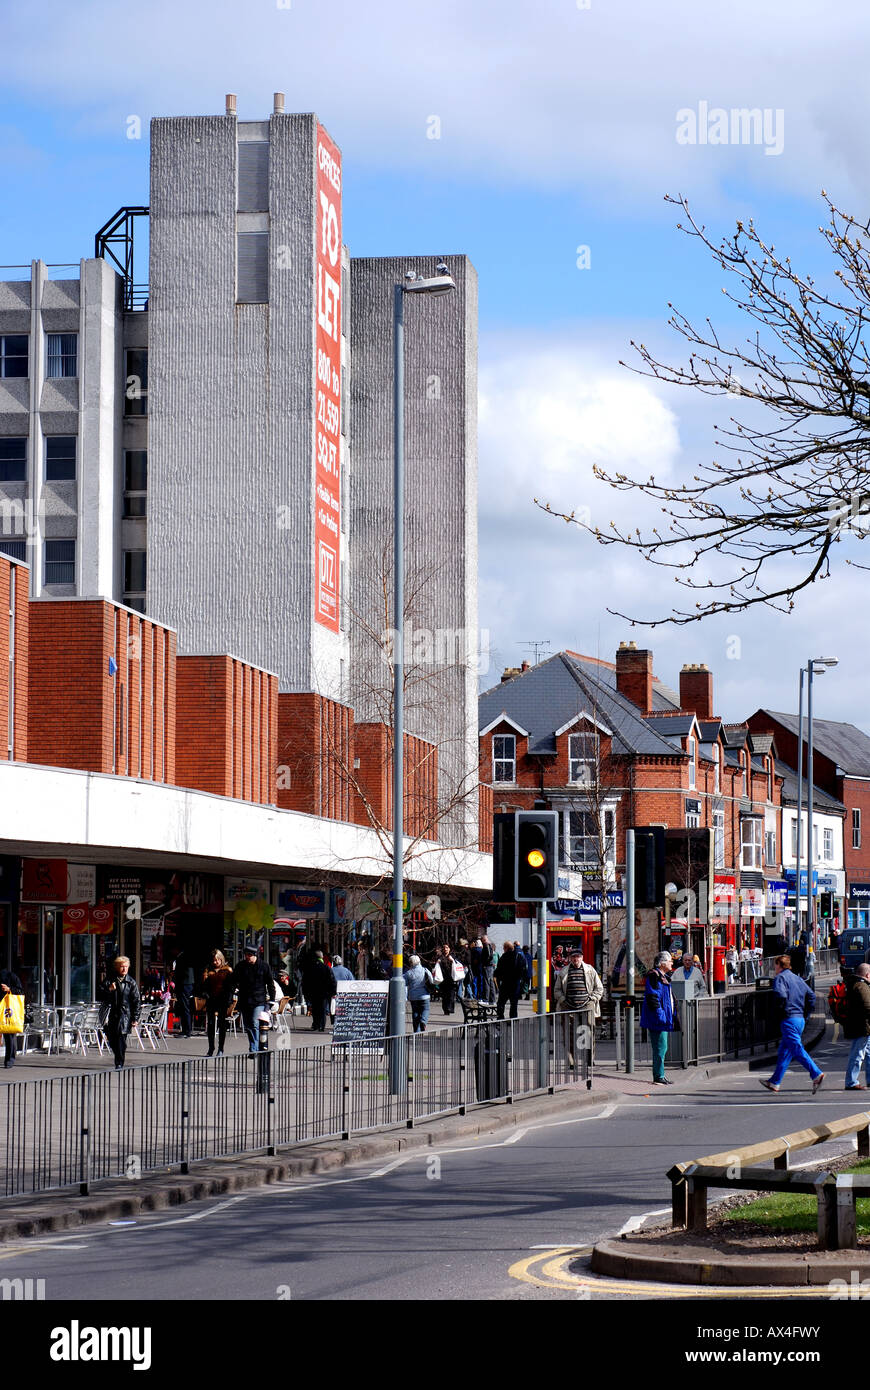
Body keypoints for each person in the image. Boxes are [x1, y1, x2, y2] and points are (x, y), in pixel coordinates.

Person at [760, 954, 824, 1094]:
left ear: (780, 965)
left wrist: (778, 1011)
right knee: (784, 1051)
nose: (774, 968)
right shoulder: (797, 978)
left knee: (796, 1049)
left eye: (776, 965)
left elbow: (781, 995)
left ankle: (816, 1074)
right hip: (799, 1018)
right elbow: (811, 996)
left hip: (788, 1019)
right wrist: (806, 1013)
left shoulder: (780, 979)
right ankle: (775, 1082)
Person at [553, 947, 604, 1067]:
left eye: (578, 957)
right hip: (568, 1007)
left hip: (586, 1006)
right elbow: (557, 990)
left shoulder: (590, 970)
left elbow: (599, 988)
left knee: (588, 1033)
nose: (576, 959)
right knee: (568, 1035)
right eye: (574, 957)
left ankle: (589, 1060)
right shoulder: (564, 971)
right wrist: (562, 1000)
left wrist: (592, 999)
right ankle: (571, 1061)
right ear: (570, 958)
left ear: (582, 958)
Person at [98, 955, 141, 1070]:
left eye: (126, 967)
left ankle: (119, 1062)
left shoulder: (131, 982)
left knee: (121, 1038)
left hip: (125, 1015)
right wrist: (109, 989)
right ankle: (119, 1054)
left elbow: (136, 1001)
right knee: (112, 1038)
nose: (124, 969)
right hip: (112, 1014)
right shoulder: (110, 980)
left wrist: (135, 1018)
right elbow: (100, 994)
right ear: (117, 967)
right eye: (122, 967)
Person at [640, 951, 677, 1085]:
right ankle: (659, 1076)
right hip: (658, 1020)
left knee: (662, 1047)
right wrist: (661, 1015)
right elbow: (653, 997)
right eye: (669, 961)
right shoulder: (654, 976)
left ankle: (660, 1075)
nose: (672, 963)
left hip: (662, 1019)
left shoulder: (661, 976)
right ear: (662, 963)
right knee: (660, 1048)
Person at [232, 944, 276, 1052]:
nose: (247, 957)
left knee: (254, 1023)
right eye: (246, 955)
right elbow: (233, 981)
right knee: (248, 1026)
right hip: (245, 999)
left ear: (255, 955)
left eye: (250, 955)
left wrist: (272, 999)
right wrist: (233, 991)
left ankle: (254, 1048)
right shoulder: (241, 966)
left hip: (258, 1000)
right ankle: (254, 1046)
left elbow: (270, 983)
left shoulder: (264, 966)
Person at [843, 962, 870, 1091]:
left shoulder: (854, 984)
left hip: (860, 1025)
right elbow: (867, 1006)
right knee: (858, 1053)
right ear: (868, 974)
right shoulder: (861, 986)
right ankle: (851, 1082)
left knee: (868, 1052)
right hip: (862, 1026)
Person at [202, 949, 233, 1057]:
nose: (215, 962)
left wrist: (229, 1000)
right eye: (214, 960)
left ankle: (221, 1048)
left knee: (221, 1024)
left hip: (222, 1000)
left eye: (217, 960)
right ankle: (211, 1048)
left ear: (221, 959)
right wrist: (205, 993)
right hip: (211, 1000)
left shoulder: (227, 971)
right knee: (210, 1025)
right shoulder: (208, 971)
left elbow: (230, 987)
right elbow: (204, 986)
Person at [302, 950, 336, 1031]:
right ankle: (322, 1026)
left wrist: (305, 992)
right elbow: (332, 980)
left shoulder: (309, 968)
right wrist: (333, 992)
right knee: (322, 1009)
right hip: (324, 993)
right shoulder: (326, 967)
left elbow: (305, 981)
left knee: (315, 1009)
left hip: (313, 992)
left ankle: (316, 1024)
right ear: (322, 957)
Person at [495, 941, 527, 1019]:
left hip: (505, 983)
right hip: (515, 983)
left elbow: (498, 970)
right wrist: (521, 979)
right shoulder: (519, 956)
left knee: (501, 1002)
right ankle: (513, 1019)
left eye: (503, 948)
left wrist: (498, 980)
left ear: (506, 948)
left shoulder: (503, 957)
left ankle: (500, 1017)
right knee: (514, 1003)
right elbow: (524, 969)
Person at [0, 967, 24, 1069]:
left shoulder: (11, 977)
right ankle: (9, 1060)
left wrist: (9, 989)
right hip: (3, 1009)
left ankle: (9, 1060)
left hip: (8, 1009)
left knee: (9, 1034)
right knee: (9, 1036)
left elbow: (20, 992)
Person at [404, 954, 435, 1033]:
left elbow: (404, 983)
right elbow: (431, 980)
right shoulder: (425, 970)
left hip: (413, 997)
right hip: (425, 995)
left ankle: (416, 1031)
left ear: (410, 963)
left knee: (415, 1013)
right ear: (419, 962)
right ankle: (423, 1021)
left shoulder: (408, 973)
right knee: (426, 1009)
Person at [172, 949, 196, 1039]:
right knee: (184, 1007)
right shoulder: (183, 957)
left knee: (185, 1007)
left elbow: (180, 972)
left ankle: (187, 1030)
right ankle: (185, 1030)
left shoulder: (183, 957)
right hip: (186, 984)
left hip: (184, 984)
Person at [434, 944, 461, 1016]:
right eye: (444, 948)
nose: (445, 949)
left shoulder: (452, 956)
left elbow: (457, 963)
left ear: (449, 949)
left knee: (451, 994)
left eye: (447, 948)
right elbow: (436, 965)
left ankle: (450, 1008)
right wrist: (437, 962)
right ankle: (445, 1009)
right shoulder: (440, 957)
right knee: (444, 995)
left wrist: (452, 960)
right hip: (443, 979)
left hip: (451, 978)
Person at [480, 936, 496, 1003]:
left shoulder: (486, 946)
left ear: (484, 940)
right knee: (491, 983)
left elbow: (489, 956)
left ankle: (486, 999)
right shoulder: (490, 945)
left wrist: (485, 963)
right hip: (490, 966)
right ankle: (492, 1000)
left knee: (486, 982)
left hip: (487, 966)